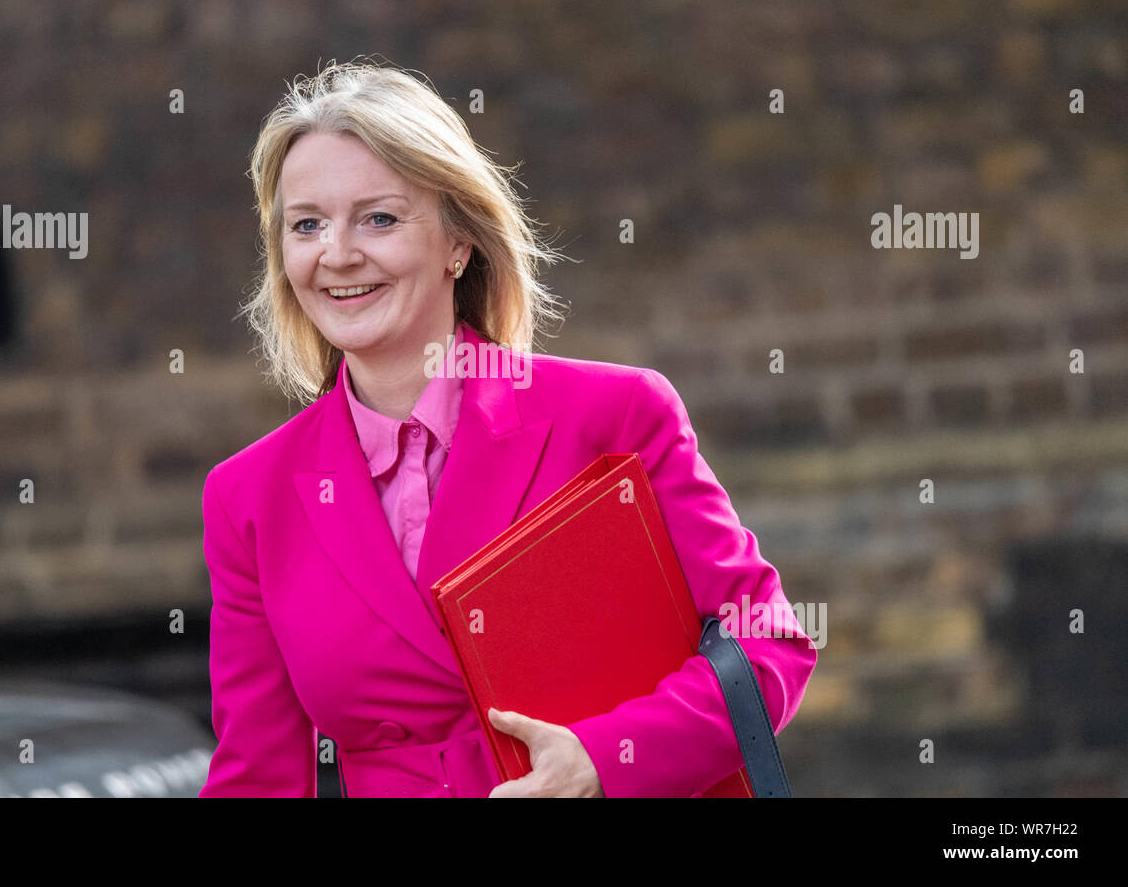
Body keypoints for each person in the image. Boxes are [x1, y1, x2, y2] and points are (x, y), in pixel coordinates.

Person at [199, 58, 816, 797]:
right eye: (307, 225)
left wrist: (606, 759)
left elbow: (770, 643)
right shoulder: (247, 498)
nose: (337, 253)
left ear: (459, 242)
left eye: (380, 218)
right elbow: (257, 779)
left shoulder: (614, 417)